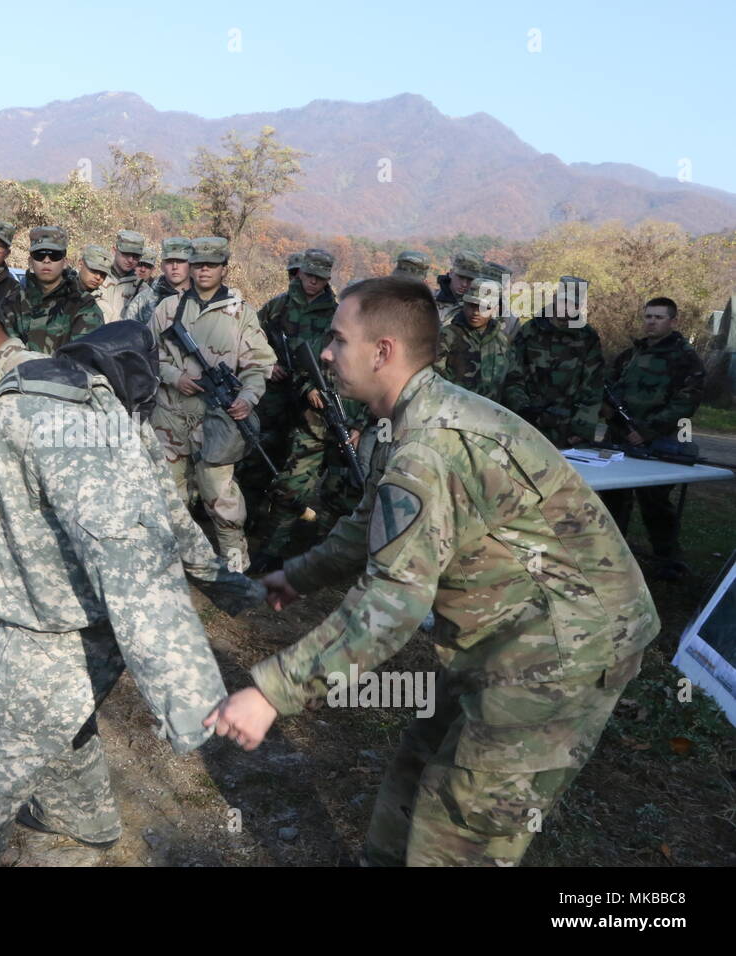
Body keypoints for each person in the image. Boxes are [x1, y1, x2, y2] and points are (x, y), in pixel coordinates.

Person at [205, 275, 659, 866]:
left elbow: (388, 610)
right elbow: (371, 522)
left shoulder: (428, 448)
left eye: (338, 339)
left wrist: (270, 693)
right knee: (417, 766)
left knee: (462, 827)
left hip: (562, 650)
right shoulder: (417, 417)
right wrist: (299, 576)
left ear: (382, 351)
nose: (325, 352)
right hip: (503, 633)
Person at [0, 273, 262, 865]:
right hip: (80, 629)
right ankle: (79, 814)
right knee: (62, 719)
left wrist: (193, 701)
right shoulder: (58, 383)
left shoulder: (38, 403)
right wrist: (229, 585)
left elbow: (128, 546)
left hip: (56, 640)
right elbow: (162, 506)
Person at [148, 236, 274, 572]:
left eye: (212, 265)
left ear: (224, 268)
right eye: (199, 264)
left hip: (215, 420)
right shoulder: (168, 309)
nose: (204, 270)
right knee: (166, 493)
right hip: (169, 416)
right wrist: (174, 376)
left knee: (221, 497)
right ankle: (167, 562)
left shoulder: (240, 314)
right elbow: (148, 355)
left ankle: (235, 564)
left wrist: (247, 398)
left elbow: (259, 365)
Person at [249, 249, 365, 574]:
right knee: (291, 486)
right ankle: (270, 550)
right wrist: (308, 389)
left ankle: (326, 555)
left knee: (341, 493)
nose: (313, 282)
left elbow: (381, 391)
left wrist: (361, 426)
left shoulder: (373, 345)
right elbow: (302, 366)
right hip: (312, 424)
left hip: (348, 427)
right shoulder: (325, 332)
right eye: (309, 275)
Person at [600, 296, 705, 581]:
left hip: (657, 442)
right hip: (620, 437)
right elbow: (608, 383)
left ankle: (668, 559)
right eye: (648, 316)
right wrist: (607, 410)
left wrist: (648, 430)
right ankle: (612, 554)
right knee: (613, 497)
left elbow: (687, 401)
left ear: (673, 321)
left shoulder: (685, 356)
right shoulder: (630, 353)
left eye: (658, 317)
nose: (651, 322)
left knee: (655, 501)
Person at [502, 276, 604, 448]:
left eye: (573, 304)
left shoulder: (587, 337)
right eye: (564, 301)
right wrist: (522, 410)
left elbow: (593, 385)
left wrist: (581, 429)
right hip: (528, 422)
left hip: (567, 427)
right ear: (555, 298)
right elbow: (513, 375)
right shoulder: (531, 330)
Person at [14, 226, 104, 354]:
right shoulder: (14, 301)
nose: (46, 260)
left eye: (55, 255)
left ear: (65, 262)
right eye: (39, 255)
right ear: (30, 262)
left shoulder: (83, 305)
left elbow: (85, 356)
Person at [434, 277, 510, 402]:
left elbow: (512, 381)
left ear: (494, 309)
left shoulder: (503, 342)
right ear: (464, 304)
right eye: (471, 305)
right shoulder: (447, 335)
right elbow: (435, 377)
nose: (475, 312)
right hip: (452, 411)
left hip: (489, 415)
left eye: (483, 307)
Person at [121, 236, 191, 325]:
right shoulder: (143, 300)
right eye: (169, 261)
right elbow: (128, 333)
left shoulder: (200, 298)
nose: (175, 267)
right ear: (162, 266)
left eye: (181, 261)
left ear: (190, 264)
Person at [95, 229, 145, 323]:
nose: (130, 260)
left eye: (135, 256)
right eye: (126, 253)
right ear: (114, 250)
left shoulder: (143, 290)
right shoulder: (96, 278)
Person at [434, 250, 483, 321]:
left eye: (470, 279)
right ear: (451, 273)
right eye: (461, 277)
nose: (464, 284)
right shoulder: (430, 300)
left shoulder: (479, 308)